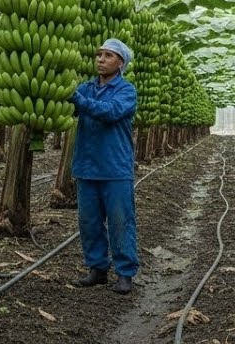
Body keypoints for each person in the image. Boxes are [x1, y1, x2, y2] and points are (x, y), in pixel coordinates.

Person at [70, 38, 139, 295]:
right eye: (98, 54)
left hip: (115, 167)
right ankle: (97, 269)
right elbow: (67, 108)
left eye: (108, 55)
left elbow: (110, 112)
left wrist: (77, 99)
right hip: (87, 166)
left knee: (121, 221)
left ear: (120, 63)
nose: (100, 59)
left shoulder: (126, 91)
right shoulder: (85, 88)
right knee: (89, 222)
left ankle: (125, 273)